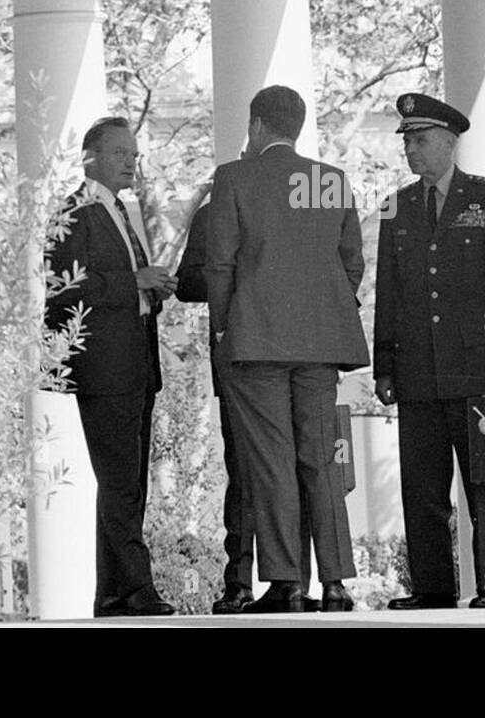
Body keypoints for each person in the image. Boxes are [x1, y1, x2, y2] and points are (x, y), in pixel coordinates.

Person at [205, 85, 370, 614]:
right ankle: (337, 581)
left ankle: (284, 582)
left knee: (272, 462)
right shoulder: (331, 180)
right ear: (296, 126)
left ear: (256, 127)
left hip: (256, 341)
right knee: (320, 460)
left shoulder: (234, 178)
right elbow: (352, 264)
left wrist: (225, 325)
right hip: (320, 344)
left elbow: (221, 265)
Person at [374, 93, 485, 610]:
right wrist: (384, 363)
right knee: (422, 488)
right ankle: (432, 588)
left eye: (421, 139)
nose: (411, 149)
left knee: (484, 482)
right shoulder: (398, 205)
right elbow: (387, 288)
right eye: (407, 141)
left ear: (450, 142)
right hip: (416, 369)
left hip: (475, 366)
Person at [44, 116, 177, 617]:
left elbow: (127, 282)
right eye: (121, 153)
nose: (131, 162)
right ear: (90, 157)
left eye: (134, 154)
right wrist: (134, 281)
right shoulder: (74, 213)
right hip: (103, 368)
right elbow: (65, 289)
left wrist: (153, 288)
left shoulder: (123, 212)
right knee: (120, 479)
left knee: (127, 481)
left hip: (137, 363)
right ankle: (139, 587)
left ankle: (112, 592)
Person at [175, 196, 316, 614]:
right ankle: (237, 581)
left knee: (299, 470)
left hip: (297, 360)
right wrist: (240, 276)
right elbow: (187, 283)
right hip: (237, 363)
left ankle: (295, 583)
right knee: (244, 476)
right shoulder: (213, 213)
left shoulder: (302, 208)